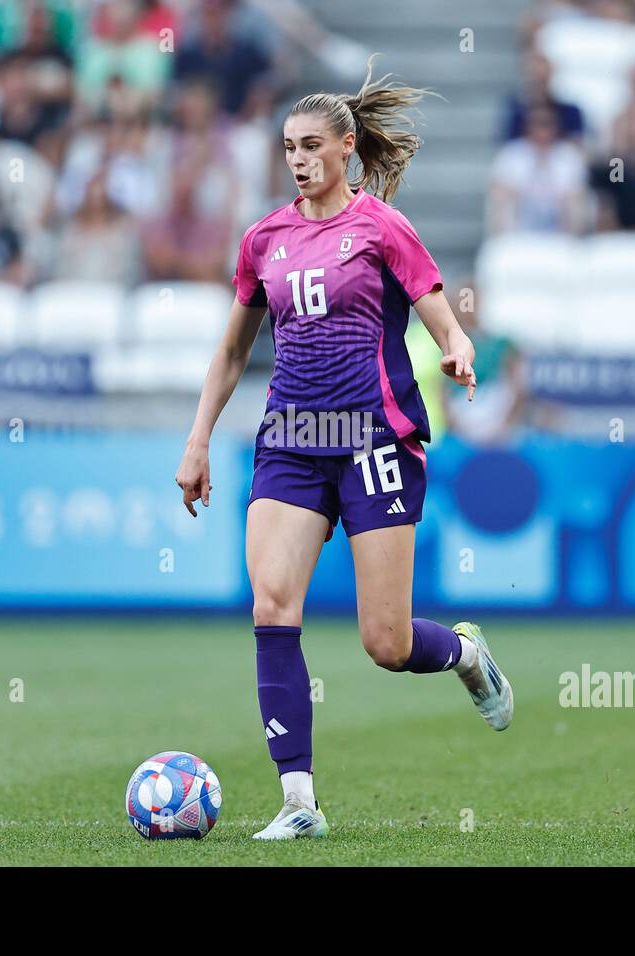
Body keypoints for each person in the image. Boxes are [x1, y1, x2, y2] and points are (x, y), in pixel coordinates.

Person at [173, 61, 514, 841]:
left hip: (374, 439)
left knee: (385, 644)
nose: (297, 158)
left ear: (346, 147)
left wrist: (458, 350)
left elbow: (437, 310)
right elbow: (231, 353)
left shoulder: (382, 227)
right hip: (291, 440)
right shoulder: (264, 238)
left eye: (311, 145)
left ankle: (464, 653)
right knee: (271, 604)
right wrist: (198, 441)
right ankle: (299, 803)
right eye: (288, 146)